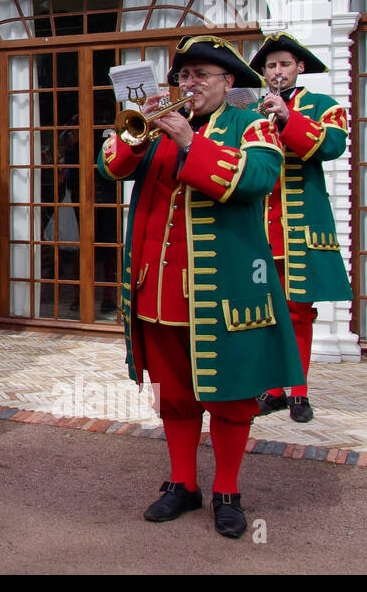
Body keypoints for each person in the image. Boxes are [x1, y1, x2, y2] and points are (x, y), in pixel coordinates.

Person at [97, 34, 303, 538]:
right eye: (183, 76)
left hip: (224, 290)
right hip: (158, 290)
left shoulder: (251, 122)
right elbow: (111, 166)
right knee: (174, 394)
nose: (189, 85)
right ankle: (182, 484)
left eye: (201, 77)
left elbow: (259, 178)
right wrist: (136, 135)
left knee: (232, 398)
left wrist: (192, 142)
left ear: (227, 82)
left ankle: (227, 490)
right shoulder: (158, 127)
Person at [249, 31, 353, 423]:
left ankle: (299, 392)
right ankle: (272, 389)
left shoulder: (323, 105)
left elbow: (332, 146)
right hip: (259, 226)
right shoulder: (251, 110)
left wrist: (289, 118)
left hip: (301, 227)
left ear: (300, 68)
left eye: (285, 64)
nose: (278, 72)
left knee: (298, 312)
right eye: (271, 66)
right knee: (266, 312)